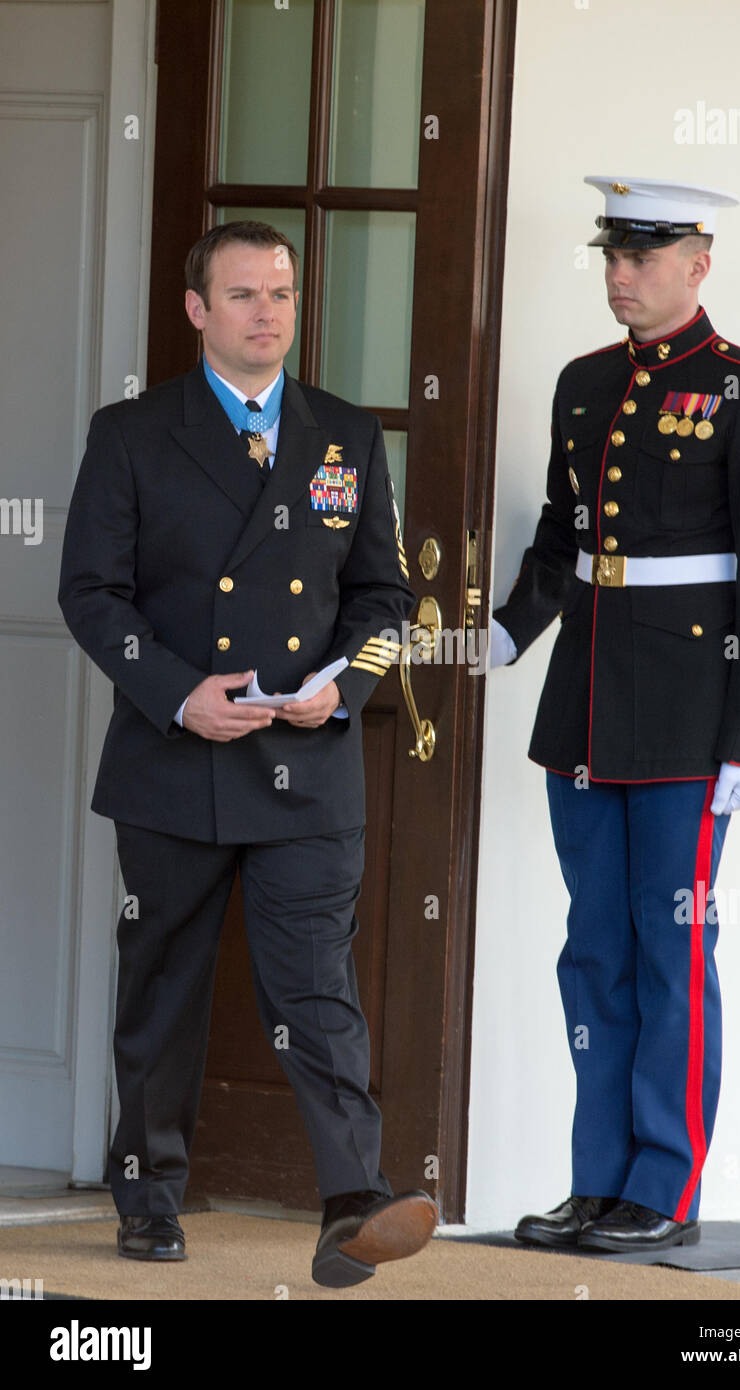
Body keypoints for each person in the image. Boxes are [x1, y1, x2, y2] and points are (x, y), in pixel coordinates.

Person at [58, 220, 437, 1288]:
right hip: (175, 761)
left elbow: (385, 597)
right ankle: (148, 1196)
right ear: (197, 310)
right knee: (164, 987)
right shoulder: (132, 432)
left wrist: (343, 686)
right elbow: (91, 592)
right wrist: (180, 692)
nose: (266, 313)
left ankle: (352, 1201)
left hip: (305, 765)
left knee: (315, 988)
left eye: (280, 293)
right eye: (242, 295)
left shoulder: (345, 436)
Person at [490, 178, 740, 1252]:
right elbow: (560, 534)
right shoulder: (583, 384)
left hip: (688, 716)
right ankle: (596, 1179)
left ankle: (662, 1191)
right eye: (611, 258)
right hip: (583, 706)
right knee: (593, 950)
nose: (620, 277)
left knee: (669, 952)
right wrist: (498, 633)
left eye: (642, 257)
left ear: (696, 263)